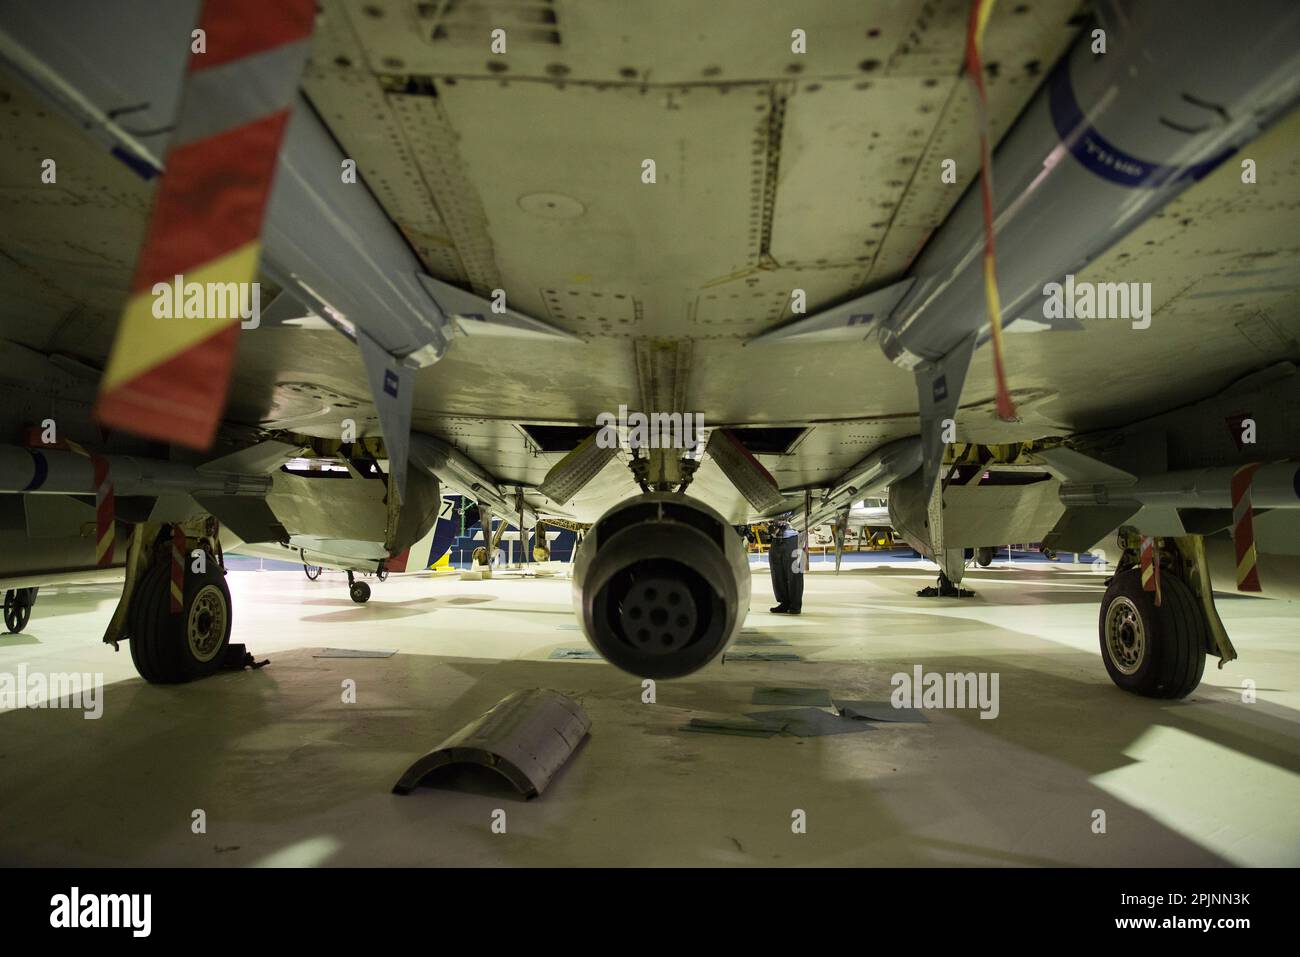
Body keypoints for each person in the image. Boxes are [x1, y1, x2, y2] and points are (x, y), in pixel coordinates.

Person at [767, 519, 803, 614]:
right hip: (776, 539)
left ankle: (795, 605)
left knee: (795, 572)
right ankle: (784, 603)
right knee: (777, 572)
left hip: (794, 538)